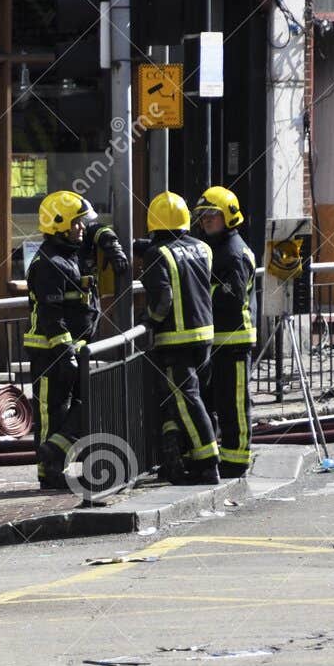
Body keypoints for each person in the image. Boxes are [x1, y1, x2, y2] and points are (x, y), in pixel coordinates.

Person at [23, 190, 111, 490]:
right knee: (51, 411)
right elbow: (51, 315)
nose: (82, 228)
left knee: (79, 406)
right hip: (50, 352)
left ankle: (58, 458)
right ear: (58, 224)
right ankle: (48, 471)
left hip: (72, 349)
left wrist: (112, 243)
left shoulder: (69, 256)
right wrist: (66, 352)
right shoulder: (49, 263)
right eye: (76, 224)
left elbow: (97, 231)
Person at [142, 191, 219, 485]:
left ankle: (207, 462)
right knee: (188, 400)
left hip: (175, 341)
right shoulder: (203, 248)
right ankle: (183, 459)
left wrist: (148, 321)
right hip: (205, 337)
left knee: (188, 401)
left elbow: (163, 299)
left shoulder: (156, 254)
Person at [192, 184, 257, 479]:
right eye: (202, 215)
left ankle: (238, 460)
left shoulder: (234, 253)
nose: (206, 220)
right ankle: (225, 455)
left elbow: (231, 298)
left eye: (212, 215)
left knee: (235, 404)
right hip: (218, 339)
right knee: (219, 401)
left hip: (235, 340)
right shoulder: (217, 248)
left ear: (229, 216)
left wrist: (200, 293)